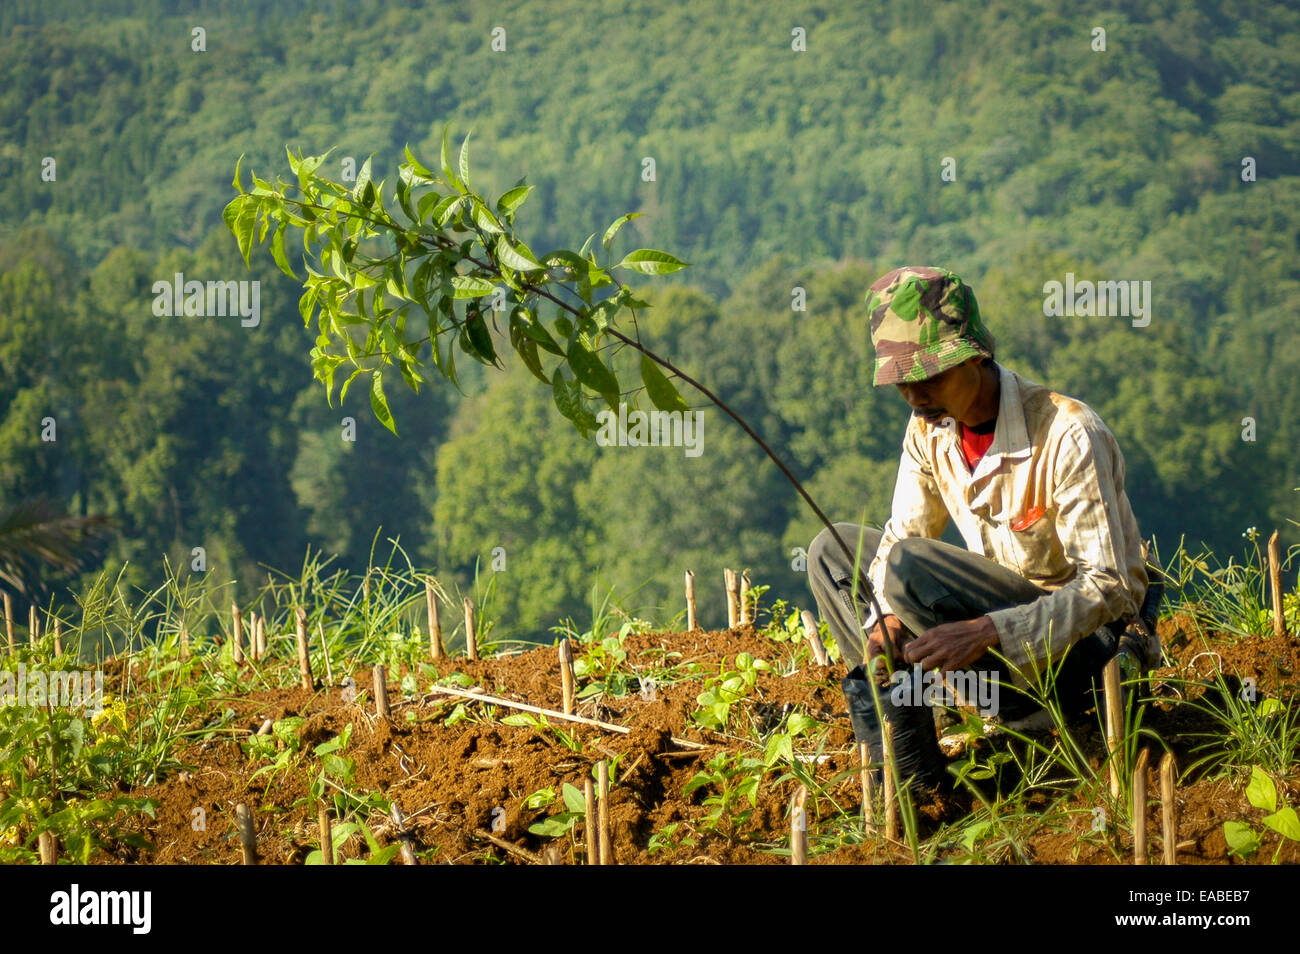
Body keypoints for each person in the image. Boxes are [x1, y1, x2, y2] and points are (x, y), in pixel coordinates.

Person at [805, 265, 1161, 794]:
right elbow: (903, 530)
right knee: (833, 552)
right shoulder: (929, 429)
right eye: (904, 381)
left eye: (930, 377)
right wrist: (883, 617)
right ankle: (904, 744)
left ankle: (1028, 718)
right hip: (987, 652)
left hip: (1076, 656)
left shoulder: (1067, 434)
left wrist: (989, 632)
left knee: (909, 569)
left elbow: (1112, 587)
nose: (914, 395)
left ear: (975, 356)